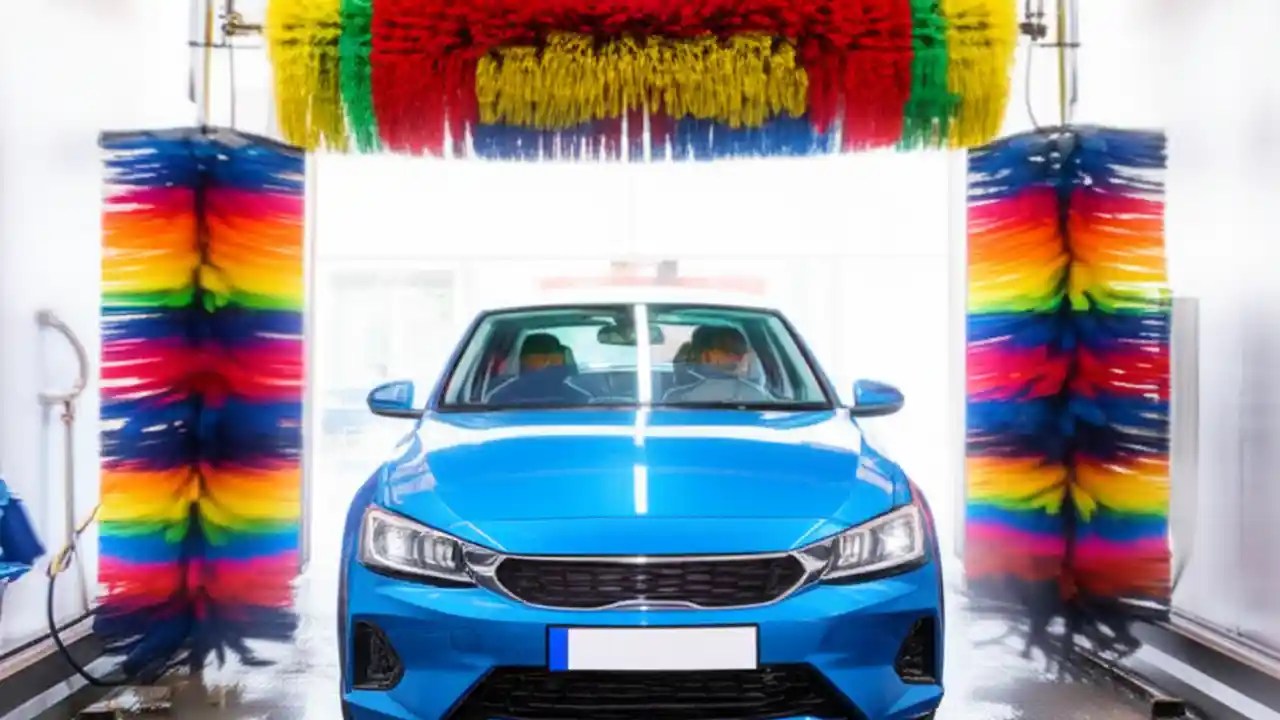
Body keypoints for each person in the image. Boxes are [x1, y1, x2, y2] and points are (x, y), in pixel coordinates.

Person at [662, 325, 773, 404]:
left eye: (738, 352)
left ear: (705, 355)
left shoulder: (676, 398)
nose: (737, 357)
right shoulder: (759, 397)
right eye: (730, 351)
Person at [487, 333, 592, 405]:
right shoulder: (500, 400)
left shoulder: (581, 399)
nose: (547, 366)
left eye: (554, 360)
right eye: (537, 361)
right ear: (523, 362)